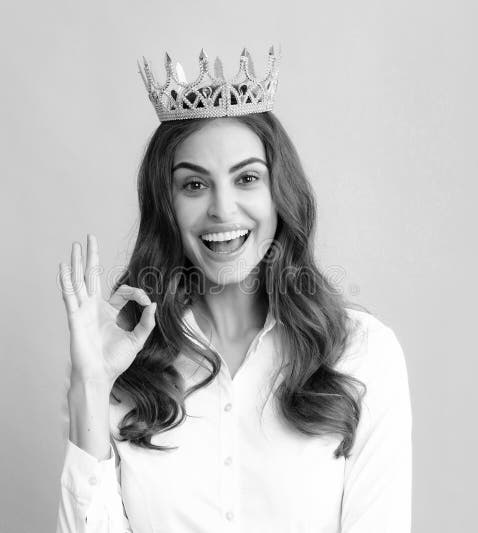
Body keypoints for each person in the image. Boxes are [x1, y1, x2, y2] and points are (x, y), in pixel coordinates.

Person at [55, 47, 412, 533]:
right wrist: (90, 386)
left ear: (278, 193)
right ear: (168, 206)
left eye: (246, 178)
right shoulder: (121, 367)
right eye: (194, 185)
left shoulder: (363, 355)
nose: (223, 209)